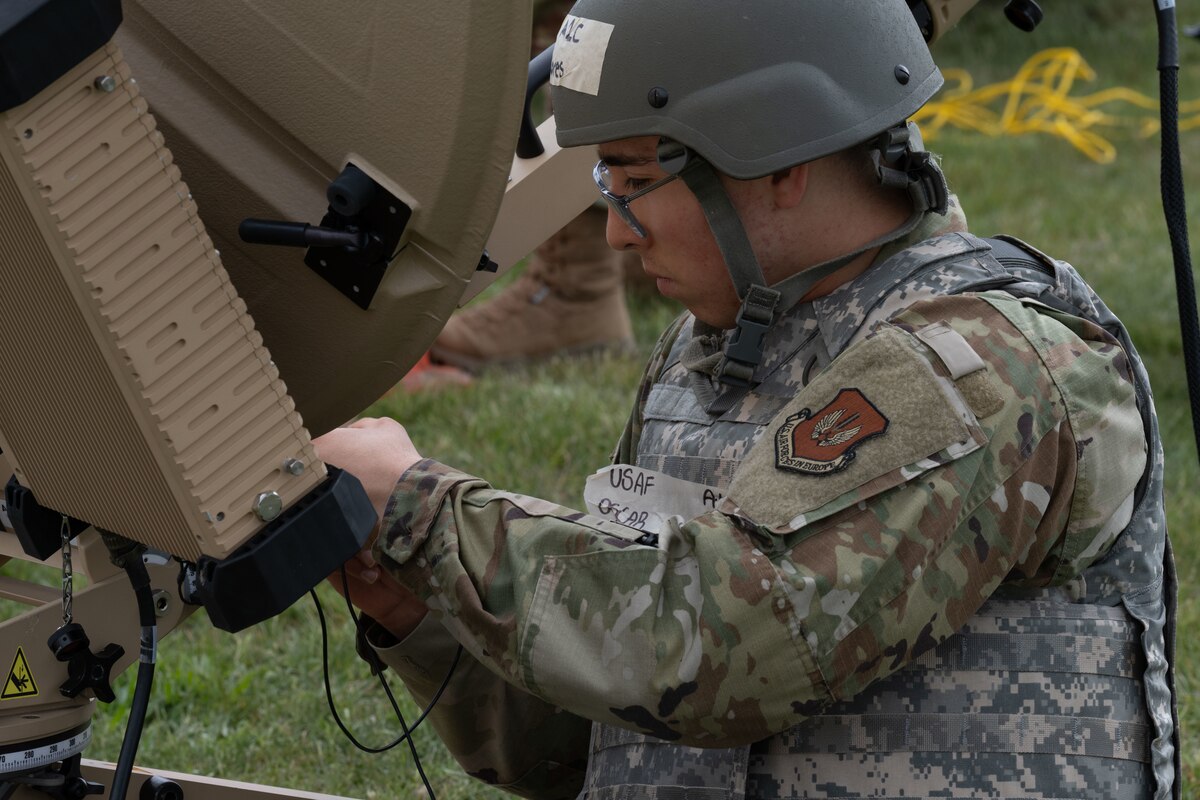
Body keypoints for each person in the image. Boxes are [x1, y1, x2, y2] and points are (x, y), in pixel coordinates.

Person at [315, 2, 1178, 798]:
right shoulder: (718, 352)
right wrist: (420, 610)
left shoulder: (986, 368)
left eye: (631, 177)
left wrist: (426, 513)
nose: (615, 230)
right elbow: (607, 729)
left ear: (779, 162)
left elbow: (728, 647)